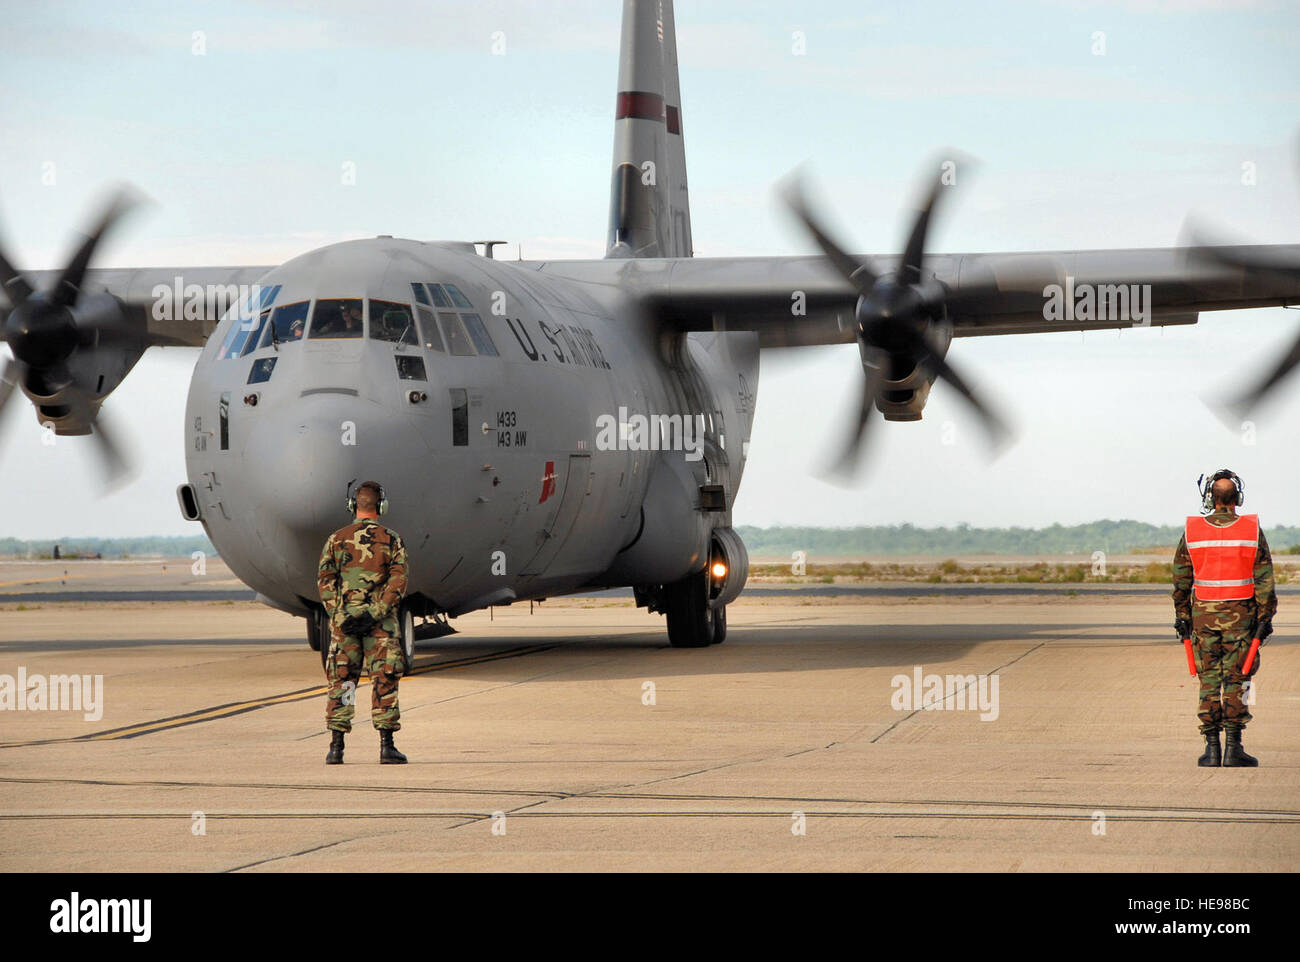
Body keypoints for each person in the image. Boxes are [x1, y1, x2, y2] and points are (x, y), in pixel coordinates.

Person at [1172, 469, 1275, 767]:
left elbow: (1181, 579)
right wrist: (1265, 616)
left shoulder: (1193, 530)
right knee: (1238, 678)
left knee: (1208, 679)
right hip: (1242, 619)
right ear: (1237, 499)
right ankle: (1234, 747)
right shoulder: (1250, 529)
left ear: (1210, 498)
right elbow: (1265, 578)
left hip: (1203, 618)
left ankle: (1212, 749)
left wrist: (1182, 616)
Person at [317, 480, 409, 764]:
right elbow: (399, 580)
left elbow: (325, 580)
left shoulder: (336, 539)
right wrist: (377, 611)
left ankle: (336, 748)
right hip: (380, 627)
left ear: (353, 505)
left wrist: (339, 615)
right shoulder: (391, 539)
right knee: (384, 680)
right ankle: (386, 747)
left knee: (342, 682)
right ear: (381, 506)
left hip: (345, 626)